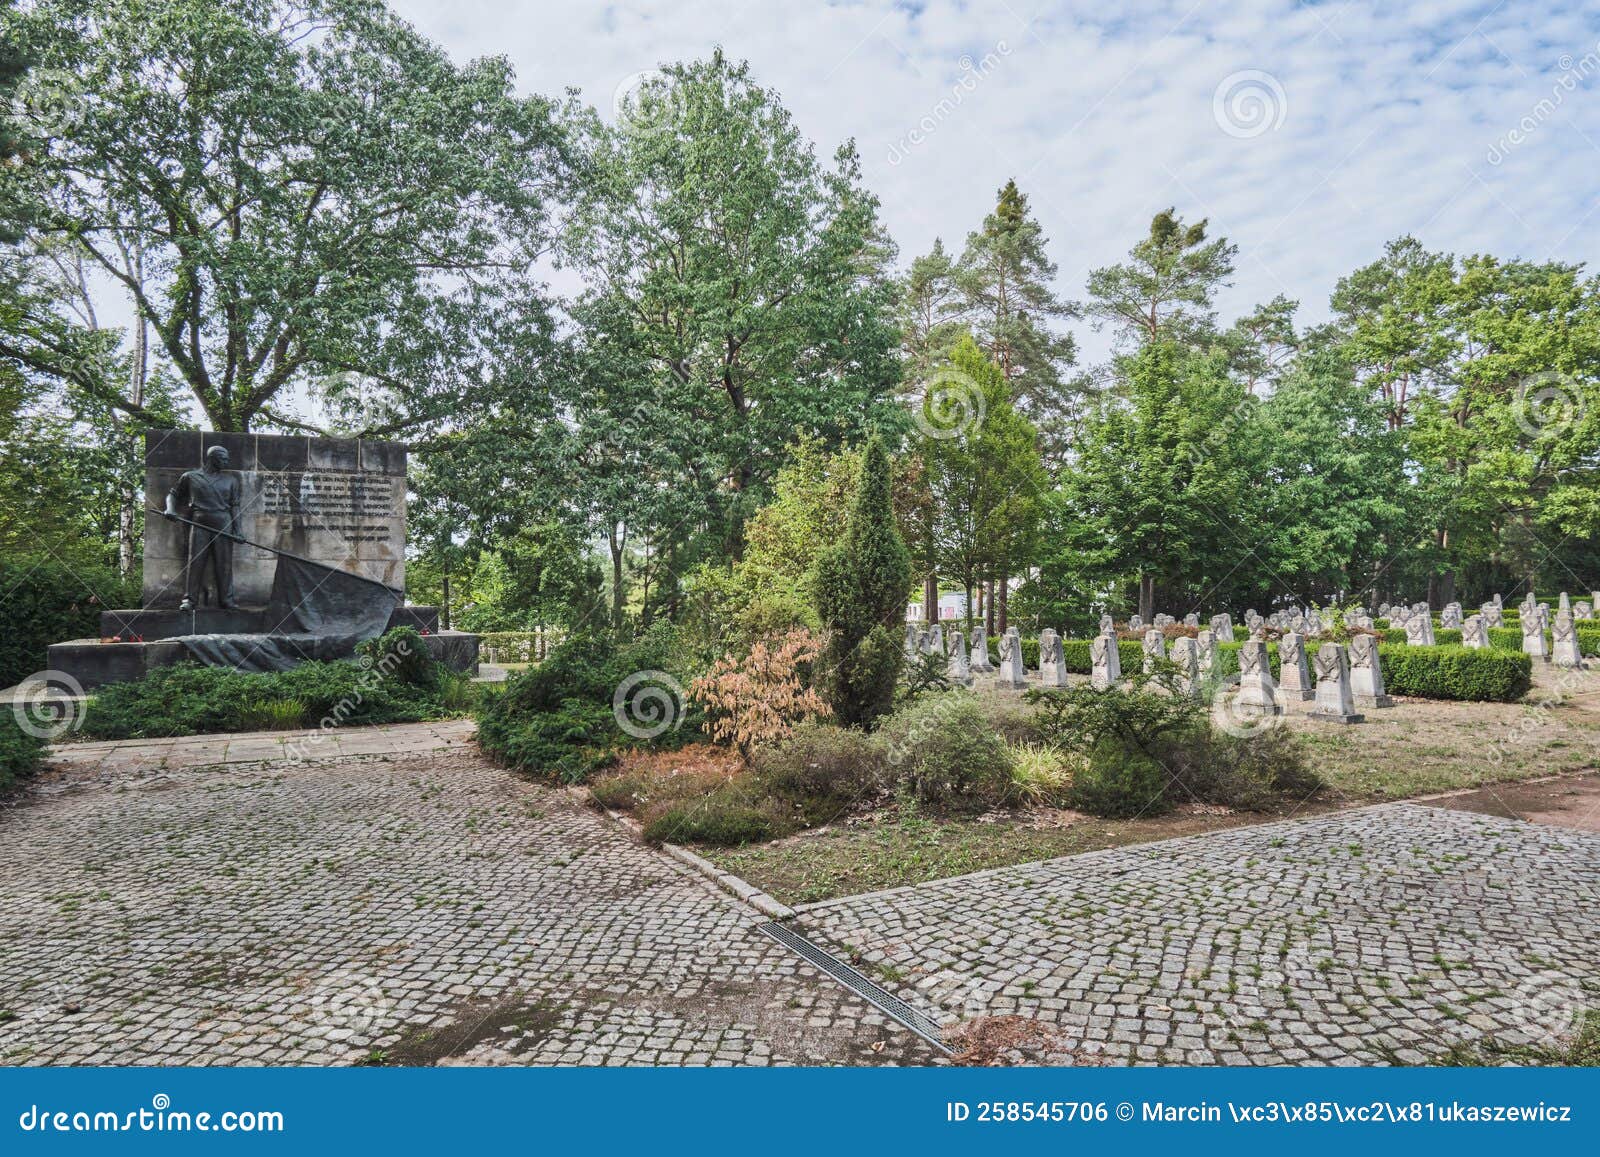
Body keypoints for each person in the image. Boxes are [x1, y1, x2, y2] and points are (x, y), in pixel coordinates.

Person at [164, 445, 242, 611]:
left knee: (224, 563)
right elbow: (173, 494)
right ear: (212, 458)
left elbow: (235, 506)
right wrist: (170, 509)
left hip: (223, 522)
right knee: (196, 561)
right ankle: (190, 600)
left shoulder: (231, 480)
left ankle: (226, 600)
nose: (226, 462)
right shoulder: (191, 477)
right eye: (223, 459)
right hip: (199, 522)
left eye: (227, 459)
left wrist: (238, 530)